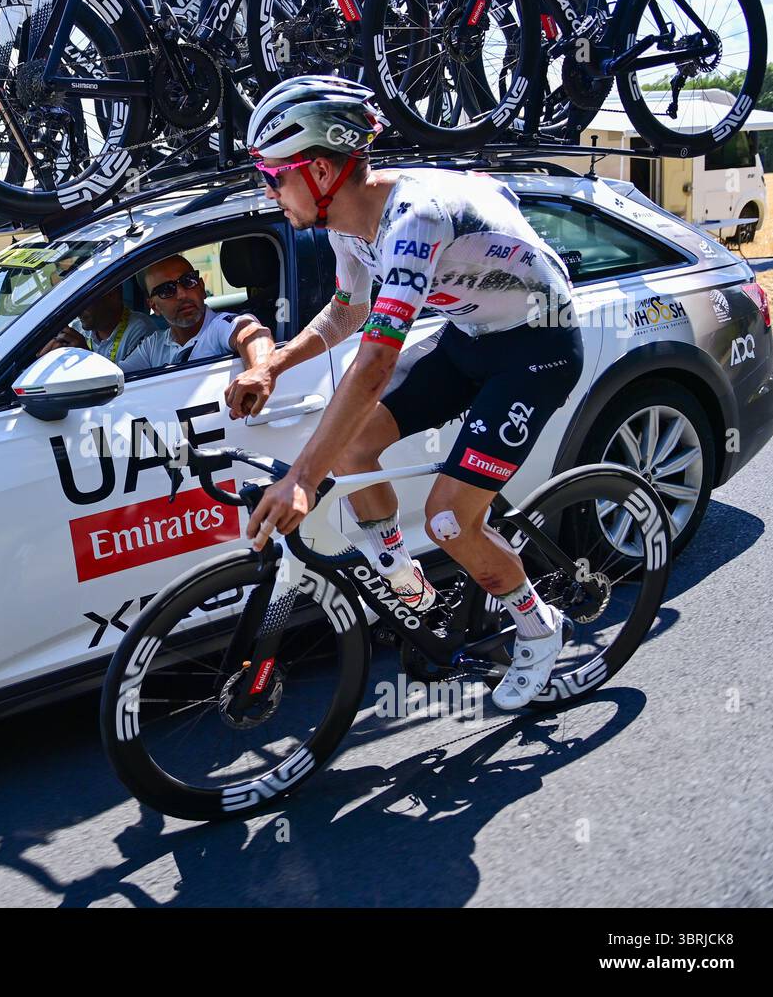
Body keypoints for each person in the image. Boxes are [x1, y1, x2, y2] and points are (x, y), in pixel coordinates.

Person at [232, 76, 584, 711]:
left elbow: (371, 365)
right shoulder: (345, 220)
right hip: (472, 334)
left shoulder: (413, 219)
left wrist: (299, 480)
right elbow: (347, 310)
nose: (267, 190)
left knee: (450, 519)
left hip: (537, 348)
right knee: (353, 448)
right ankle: (402, 575)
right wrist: (273, 366)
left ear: (316, 170)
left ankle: (538, 627)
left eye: (271, 174)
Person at [119, 255, 274, 410]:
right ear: (154, 306)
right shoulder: (152, 346)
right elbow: (112, 378)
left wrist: (260, 371)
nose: (182, 295)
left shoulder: (219, 327)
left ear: (201, 287)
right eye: (167, 290)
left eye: (188, 281)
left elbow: (252, 334)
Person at [36, 283, 160, 364]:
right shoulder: (78, 328)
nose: (77, 311)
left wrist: (85, 356)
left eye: (84, 302)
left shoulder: (141, 330)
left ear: (112, 295)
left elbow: (123, 386)